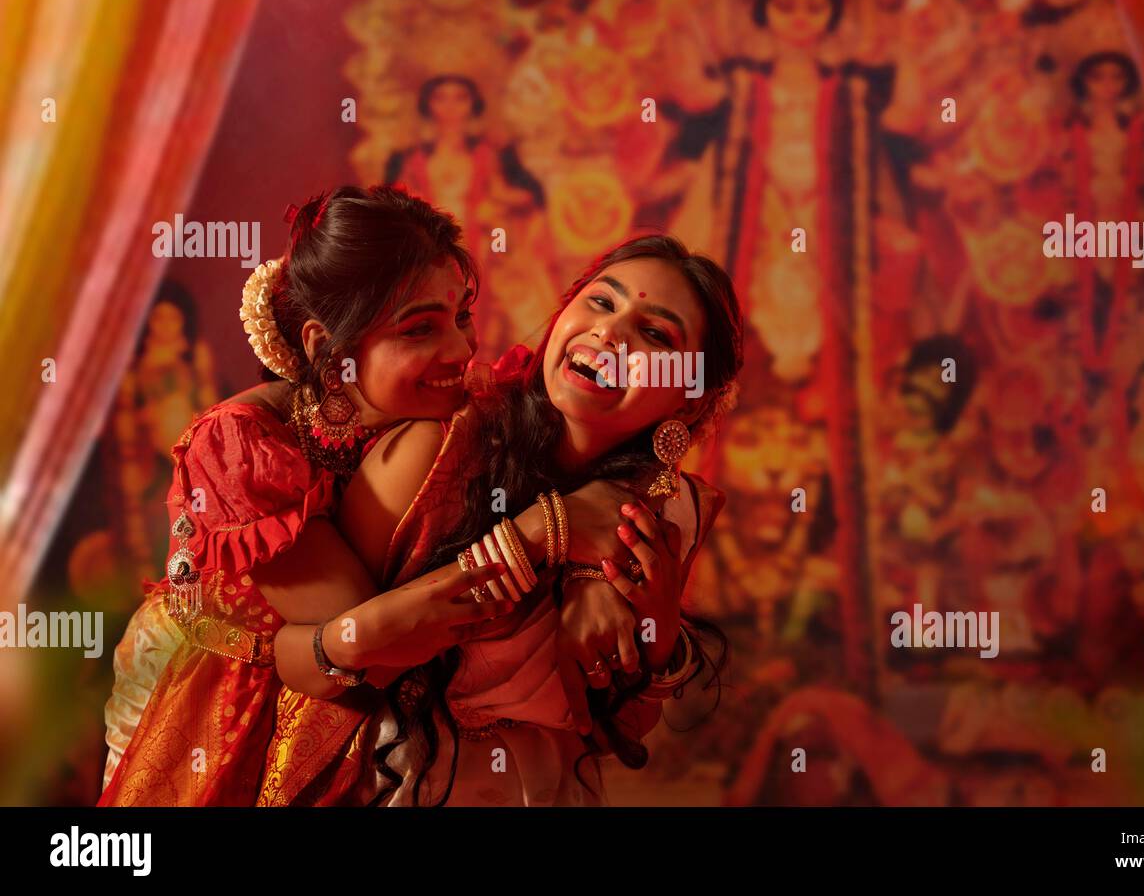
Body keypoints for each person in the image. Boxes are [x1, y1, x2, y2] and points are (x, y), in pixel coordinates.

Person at [98, 186, 632, 805]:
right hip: (218, 699)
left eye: (461, 315)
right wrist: (543, 531)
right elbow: (370, 641)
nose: (461, 350)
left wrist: (598, 563)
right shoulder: (239, 447)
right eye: (420, 328)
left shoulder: (440, 408)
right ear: (329, 349)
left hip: (338, 701)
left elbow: (582, 439)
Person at [258, 234, 744, 806]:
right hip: (385, 778)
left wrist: (655, 638)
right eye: (601, 303)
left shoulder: (666, 509)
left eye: (655, 334)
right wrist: (544, 532)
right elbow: (313, 662)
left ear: (689, 399)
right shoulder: (440, 449)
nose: (610, 335)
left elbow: (618, 729)